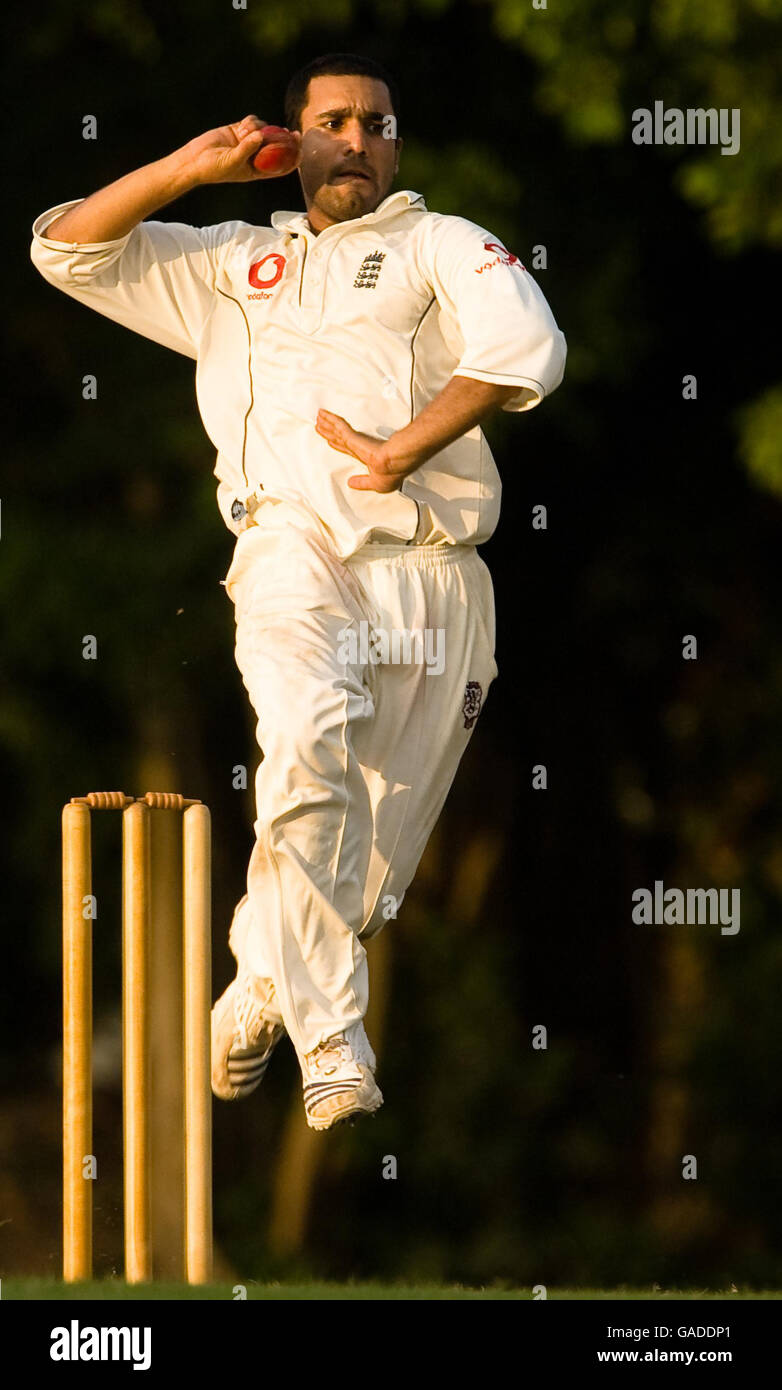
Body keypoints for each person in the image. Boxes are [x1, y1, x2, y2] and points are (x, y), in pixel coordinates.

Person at [30, 52, 566, 1131]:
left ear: (395, 145)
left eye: (377, 123)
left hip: (431, 580)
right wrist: (190, 167)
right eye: (334, 121)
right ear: (294, 141)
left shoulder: (439, 244)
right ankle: (332, 1039)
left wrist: (401, 446)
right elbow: (64, 251)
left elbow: (529, 347)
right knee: (304, 737)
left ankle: (260, 980)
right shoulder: (232, 264)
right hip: (287, 554)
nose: (357, 140)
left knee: (363, 883)